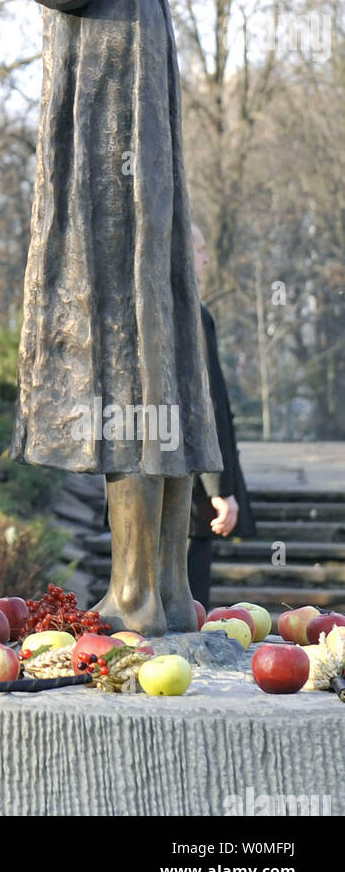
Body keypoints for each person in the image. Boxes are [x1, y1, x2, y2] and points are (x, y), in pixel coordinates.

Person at [10, 0, 222, 636]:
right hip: (138, 50)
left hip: (103, 64)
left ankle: (137, 590)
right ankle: (164, 586)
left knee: (118, 307)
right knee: (148, 307)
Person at [188, 224, 256, 606]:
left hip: (155, 495)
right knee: (188, 609)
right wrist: (220, 489)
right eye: (199, 249)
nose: (207, 258)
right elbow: (205, 404)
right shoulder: (190, 316)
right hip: (192, 494)